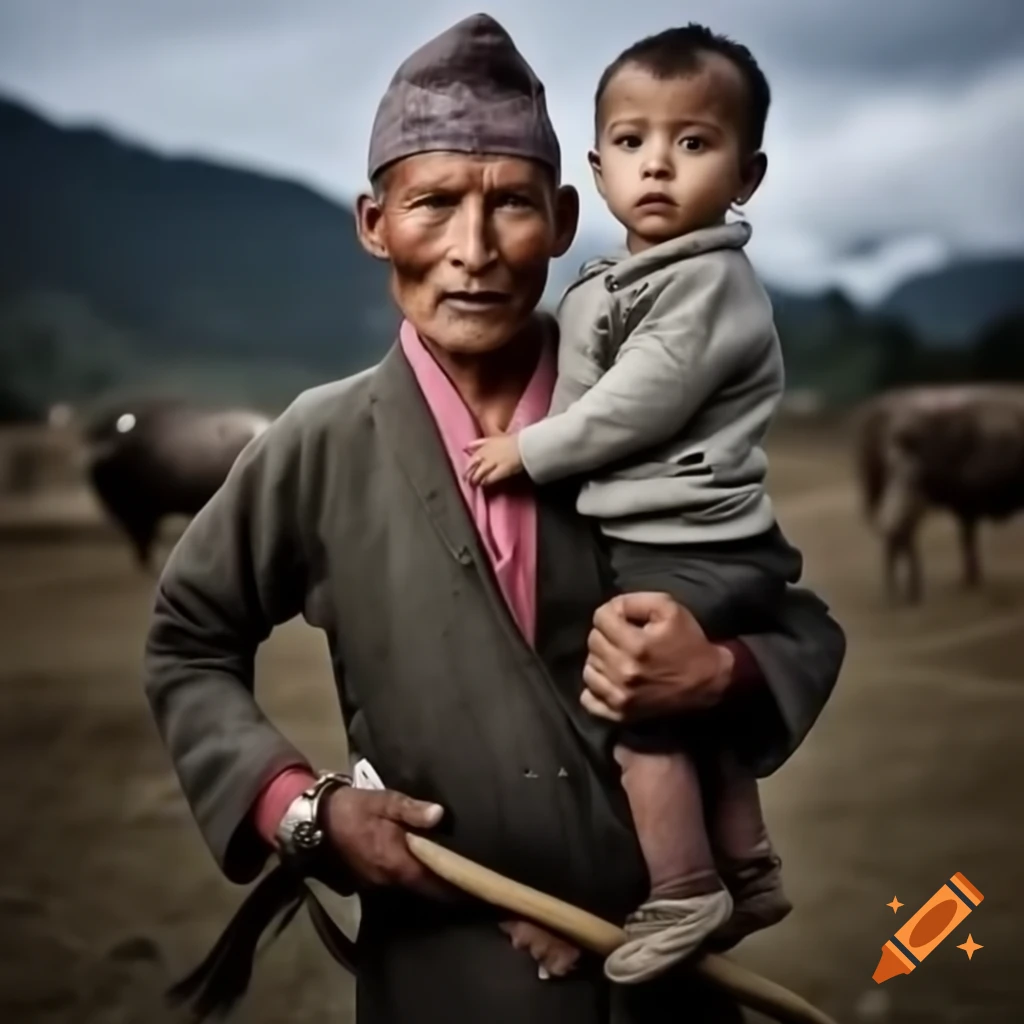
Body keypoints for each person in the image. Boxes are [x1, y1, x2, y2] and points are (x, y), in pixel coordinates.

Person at [142, 14, 845, 1024]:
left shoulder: (648, 398)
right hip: (446, 983)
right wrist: (308, 811)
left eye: (509, 205)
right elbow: (186, 643)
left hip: (668, 985)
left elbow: (797, 623)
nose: (471, 252)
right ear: (373, 222)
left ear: (562, 220)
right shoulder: (319, 442)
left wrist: (720, 671)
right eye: (432, 204)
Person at [463, 24, 796, 983]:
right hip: (684, 539)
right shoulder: (622, 280)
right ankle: (751, 867)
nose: (658, 164)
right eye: (631, 141)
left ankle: (684, 886)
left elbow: (636, 400)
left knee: (636, 703)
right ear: (598, 166)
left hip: (692, 540)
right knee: (702, 725)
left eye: (694, 143)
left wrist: (528, 449)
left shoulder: (709, 285)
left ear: (749, 173)